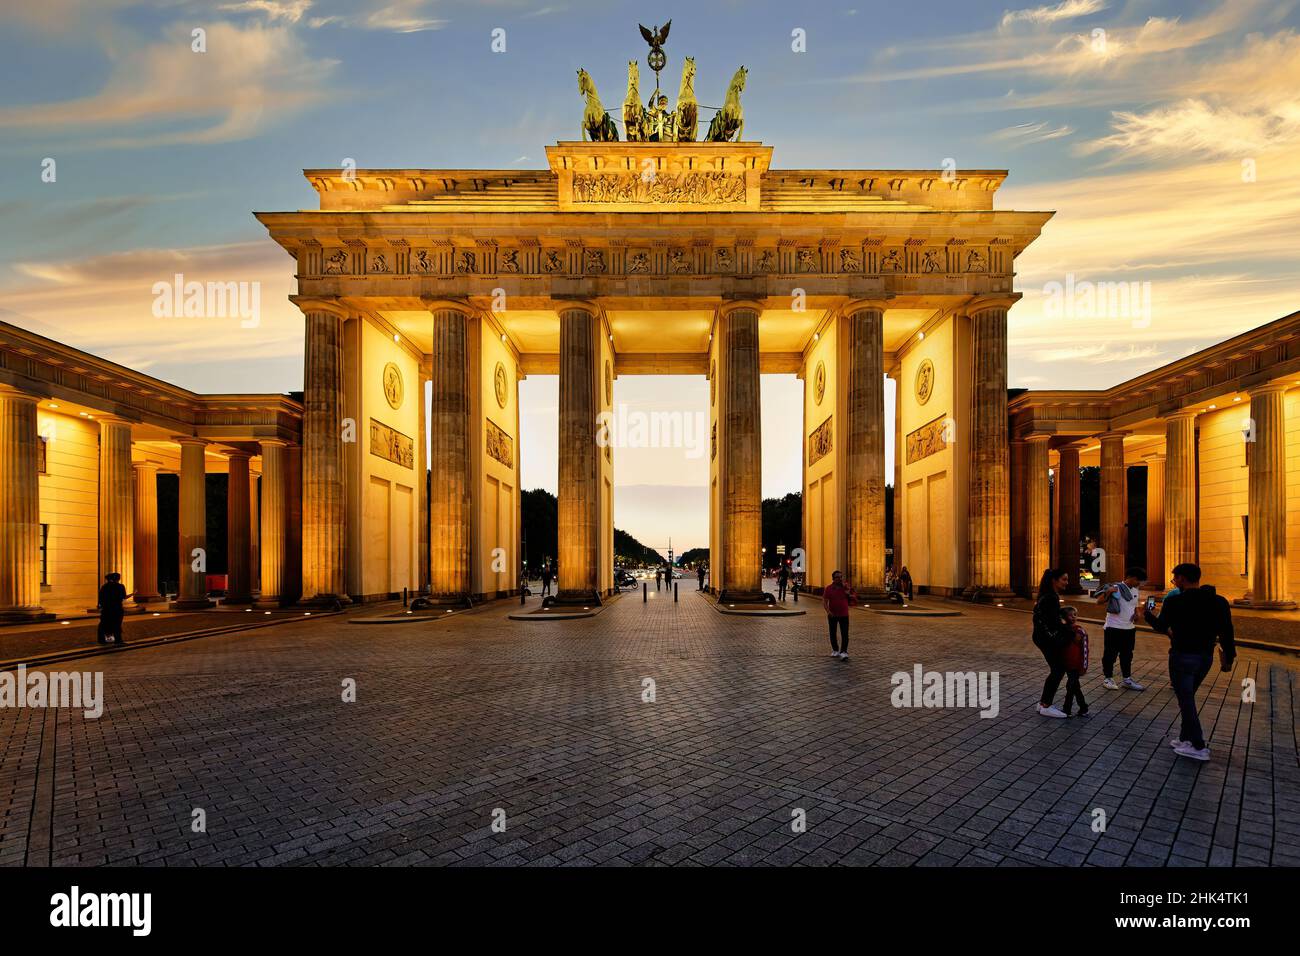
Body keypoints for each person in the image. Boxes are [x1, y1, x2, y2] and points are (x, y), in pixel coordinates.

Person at [1143, 562, 1236, 762]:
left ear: (1183, 579)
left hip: (1182, 656)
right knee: (1188, 698)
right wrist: (1229, 656)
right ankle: (1185, 739)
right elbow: (1227, 632)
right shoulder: (1219, 601)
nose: (1174, 582)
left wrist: (1146, 614)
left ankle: (1198, 745)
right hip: (1205, 658)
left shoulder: (1175, 602)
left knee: (1186, 700)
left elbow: (1161, 626)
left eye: (1174, 578)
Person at [1095, 566, 1147, 691]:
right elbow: (1099, 601)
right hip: (1114, 627)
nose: (1139, 583)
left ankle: (1127, 680)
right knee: (1110, 654)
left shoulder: (1135, 590)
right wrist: (1108, 592)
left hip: (1129, 628)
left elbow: (1134, 606)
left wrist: (1137, 614)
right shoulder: (1116, 587)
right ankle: (1108, 678)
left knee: (1127, 655)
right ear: (1131, 578)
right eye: (1137, 580)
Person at [1032, 567, 1070, 718]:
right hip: (1046, 638)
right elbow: (1052, 622)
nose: (1067, 583)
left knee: (1057, 669)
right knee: (1058, 669)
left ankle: (1043, 703)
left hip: (1041, 637)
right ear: (1054, 580)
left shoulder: (1047, 595)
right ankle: (1046, 705)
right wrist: (1069, 630)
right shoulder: (1051, 597)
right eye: (1064, 579)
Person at [1061, 606, 1090, 717]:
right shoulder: (1063, 630)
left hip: (1076, 665)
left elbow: (1085, 650)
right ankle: (1083, 708)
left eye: (1075, 615)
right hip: (1067, 664)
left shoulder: (1079, 631)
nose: (1073, 617)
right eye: (1070, 615)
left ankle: (1066, 709)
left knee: (1071, 686)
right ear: (1064, 617)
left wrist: (1083, 666)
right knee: (1074, 687)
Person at [822, 570, 856, 662]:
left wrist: (848, 592)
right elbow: (825, 602)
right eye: (837, 577)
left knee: (845, 633)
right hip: (832, 614)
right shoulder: (829, 588)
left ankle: (844, 651)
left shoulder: (846, 587)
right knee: (832, 633)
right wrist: (828, 612)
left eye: (841, 577)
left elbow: (853, 599)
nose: (840, 579)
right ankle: (835, 650)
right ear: (833, 578)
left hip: (844, 614)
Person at [97, 572, 128, 646]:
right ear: (118, 579)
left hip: (106, 608)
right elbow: (124, 597)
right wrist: (133, 594)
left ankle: (101, 640)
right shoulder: (120, 586)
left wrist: (100, 605)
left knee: (103, 624)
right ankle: (118, 640)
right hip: (117, 608)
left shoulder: (104, 586)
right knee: (117, 624)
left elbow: (101, 597)